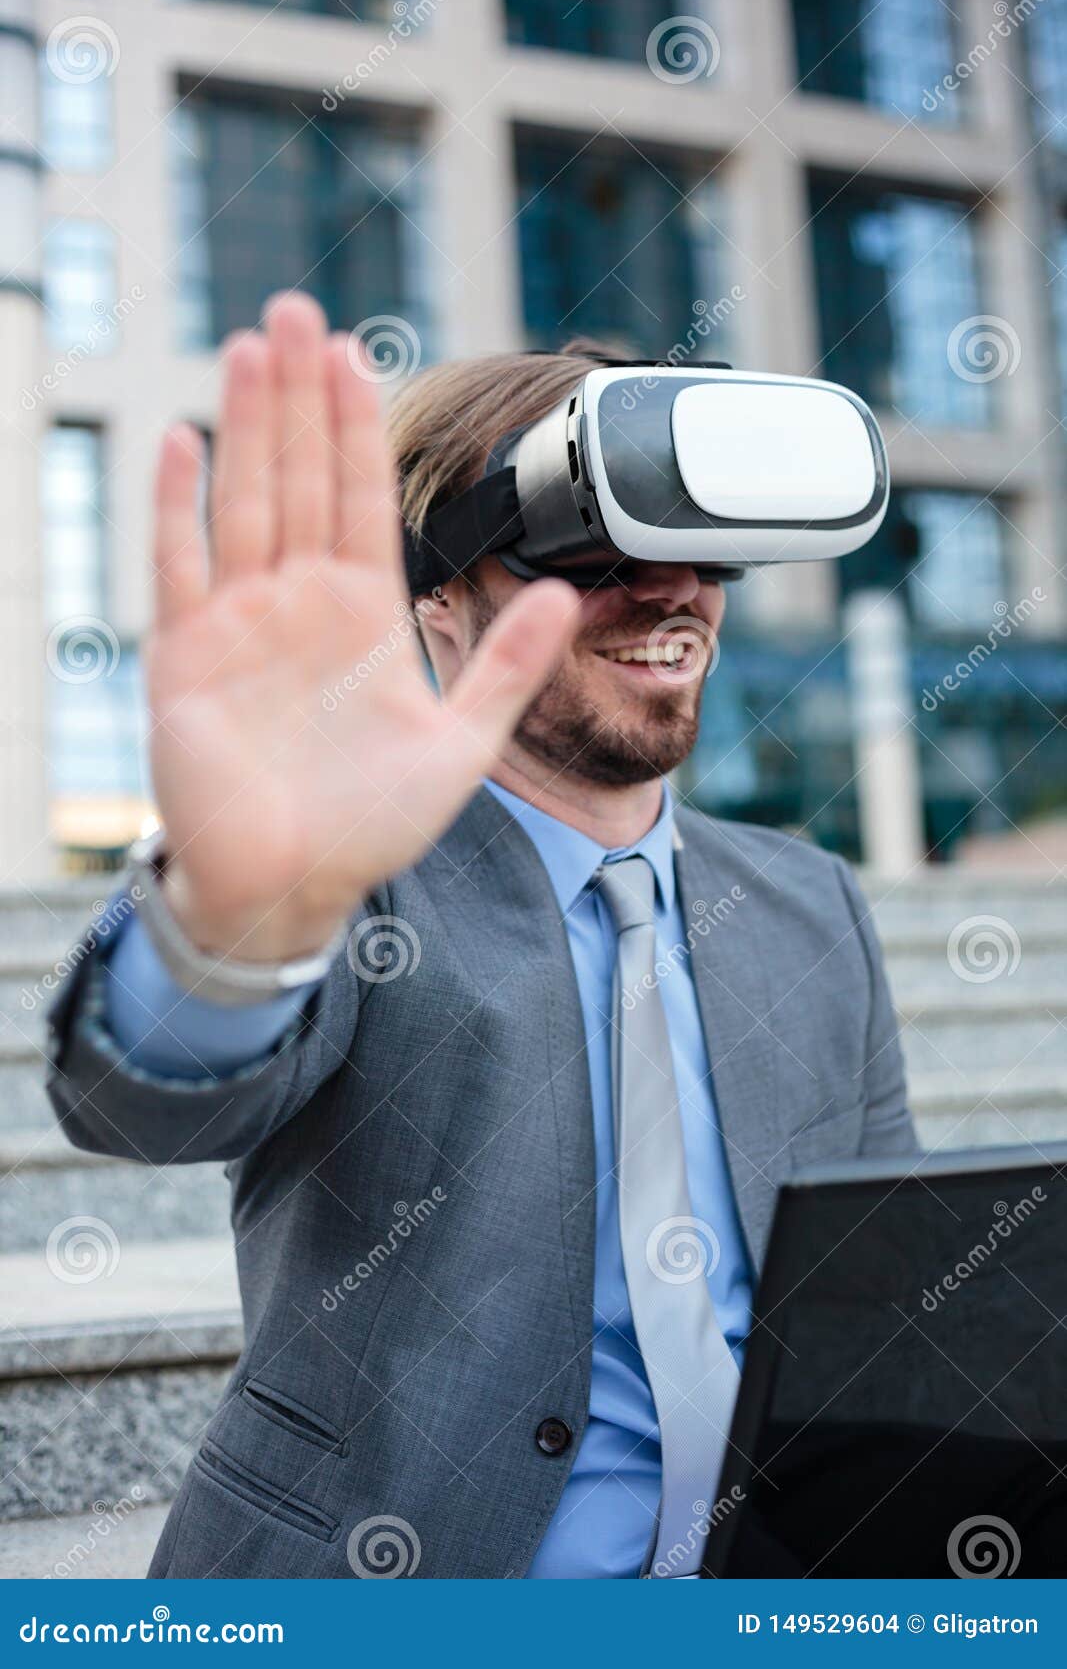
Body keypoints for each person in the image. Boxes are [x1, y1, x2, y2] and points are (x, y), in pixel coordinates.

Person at [47, 291, 917, 1580]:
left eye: (698, 549)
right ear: (438, 601)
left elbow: (884, 1296)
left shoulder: (809, 902)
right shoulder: (359, 885)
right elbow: (144, 1104)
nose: (671, 593)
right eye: (596, 558)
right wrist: (243, 916)